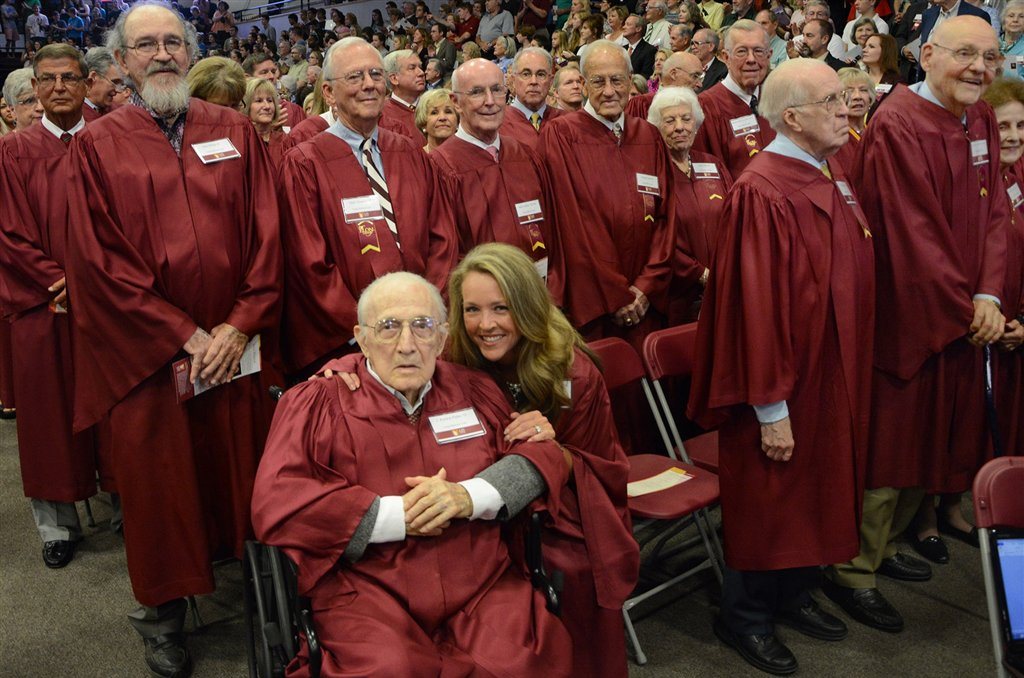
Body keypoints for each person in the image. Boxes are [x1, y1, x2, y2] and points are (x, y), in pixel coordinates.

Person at [65, 3, 283, 675]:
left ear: (189, 53)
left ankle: (265, 594)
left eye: (172, 42)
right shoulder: (96, 147)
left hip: (236, 347)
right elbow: (97, 263)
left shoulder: (237, 130)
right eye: (145, 45)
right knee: (161, 490)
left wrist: (240, 322)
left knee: (245, 474)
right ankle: (162, 613)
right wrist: (185, 335)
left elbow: (269, 234)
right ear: (123, 61)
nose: (161, 54)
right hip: (149, 358)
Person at [319, 245, 639, 678]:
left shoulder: (572, 374)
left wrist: (554, 449)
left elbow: (597, 464)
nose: (485, 325)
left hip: (568, 501)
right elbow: (400, 346)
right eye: (472, 309)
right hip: (478, 510)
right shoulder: (456, 359)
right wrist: (352, 360)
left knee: (566, 570)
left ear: (527, 307)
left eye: (501, 308)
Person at [252, 271, 574, 677]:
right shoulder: (316, 403)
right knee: (389, 669)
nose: (407, 345)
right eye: (388, 327)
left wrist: (469, 496)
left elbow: (536, 453)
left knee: (525, 659)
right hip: (367, 591)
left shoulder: (475, 389)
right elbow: (278, 500)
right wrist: (397, 516)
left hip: (480, 582)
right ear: (362, 337)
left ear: (441, 338)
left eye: (422, 326)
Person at [689, 58, 875, 676]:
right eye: (831, 100)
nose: (846, 108)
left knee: (812, 489)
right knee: (769, 498)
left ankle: (792, 592)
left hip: (826, 372)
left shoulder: (829, 170)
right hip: (781, 384)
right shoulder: (761, 191)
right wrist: (771, 408)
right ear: (792, 117)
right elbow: (754, 312)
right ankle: (744, 615)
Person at [824, 16, 1009, 634]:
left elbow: (994, 212)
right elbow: (912, 234)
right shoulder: (897, 125)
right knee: (894, 444)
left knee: (931, 439)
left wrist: (988, 291)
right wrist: (968, 307)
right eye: (964, 54)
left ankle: (887, 546)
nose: (979, 68)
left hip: (959, 313)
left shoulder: (977, 116)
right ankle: (852, 569)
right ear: (926, 54)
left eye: (990, 56)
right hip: (910, 317)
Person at [277, 37, 458, 377]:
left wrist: (427, 314)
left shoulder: (410, 154)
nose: (369, 84)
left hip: (423, 332)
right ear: (328, 93)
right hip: (349, 344)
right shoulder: (304, 163)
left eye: (376, 73)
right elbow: (309, 263)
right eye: (355, 76)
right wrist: (371, 331)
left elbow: (443, 239)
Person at [0, 43, 99, 572]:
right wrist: (62, 282)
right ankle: (56, 526)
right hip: (44, 307)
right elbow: (9, 234)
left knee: (117, 409)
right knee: (47, 419)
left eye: (68, 78)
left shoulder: (112, 141)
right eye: (47, 80)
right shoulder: (13, 153)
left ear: (86, 84)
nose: (58, 87)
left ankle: (127, 502)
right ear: (33, 89)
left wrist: (99, 284)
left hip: (110, 305)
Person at [538, 40, 675, 344]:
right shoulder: (561, 135)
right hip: (595, 302)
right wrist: (616, 295)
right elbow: (574, 225)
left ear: (630, 81)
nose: (609, 90)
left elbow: (666, 217)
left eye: (617, 80)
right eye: (599, 81)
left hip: (647, 301)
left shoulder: (648, 136)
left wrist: (646, 286)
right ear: (584, 85)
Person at [431, 59, 560, 285]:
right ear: (456, 102)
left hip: (541, 297)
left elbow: (555, 232)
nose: (490, 102)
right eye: (477, 92)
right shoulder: (440, 167)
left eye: (497, 90)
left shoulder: (526, 155)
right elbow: (446, 257)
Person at [649, 86, 732, 324]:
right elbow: (656, 237)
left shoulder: (713, 164)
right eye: (670, 120)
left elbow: (735, 218)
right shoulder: (653, 172)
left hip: (724, 287)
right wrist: (701, 274)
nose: (679, 127)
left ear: (696, 124)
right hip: (679, 298)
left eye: (686, 119)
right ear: (657, 127)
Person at [982, 77, 1024, 455]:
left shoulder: (1016, 175)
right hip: (983, 332)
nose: (1013, 136)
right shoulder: (973, 183)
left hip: (1016, 328)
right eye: (1003, 126)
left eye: (1021, 125)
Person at [693, 21, 776, 176]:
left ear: (769, 55)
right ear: (725, 57)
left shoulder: (778, 100)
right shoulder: (706, 107)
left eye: (758, 51)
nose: (751, 59)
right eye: (742, 51)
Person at [501, 47, 563, 147]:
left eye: (541, 74)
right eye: (526, 74)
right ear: (513, 80)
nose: (534, 81)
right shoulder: (497, 123)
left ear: (551, 81)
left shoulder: (565, 122)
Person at [626, 50, 705, 118]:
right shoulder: (641, 104)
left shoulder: (699, 107)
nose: (700, 85)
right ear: (674, 74)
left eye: (700, 78)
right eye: (695, 76)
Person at [241, 52, 306, 127]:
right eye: (264, 72)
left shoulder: (293, 111)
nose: (271, 76)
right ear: (247, 77)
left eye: (273, 72)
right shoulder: (236, 113)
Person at [833, 67, 875, 174]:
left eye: (863, 90)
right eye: (850, 91)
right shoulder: (834, 140)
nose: (858, 96)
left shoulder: (876, 134)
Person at [240, 76, 288, 166]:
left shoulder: (285, 141)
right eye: (259, 101)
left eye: (270, 100)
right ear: (246, 105)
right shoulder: (241, 141)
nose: (267, 106)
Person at [381, 48, 426, 141]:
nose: (421, 73)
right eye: (412, 68)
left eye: (420, 67)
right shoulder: (381, 114)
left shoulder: (434, 105)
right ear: (394, 78)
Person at [82, 46, 125, 121]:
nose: (118, 91)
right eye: (114, 82)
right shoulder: (71, 117)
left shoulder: (120, 112)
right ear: (93, 77)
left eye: (121, 84)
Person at [415, 86, 457, 151]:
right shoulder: (416, 158)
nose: (442, 117)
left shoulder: (470, 157)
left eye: (448, 111)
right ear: (423, 123)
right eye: (434, 113)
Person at [1001, 0, 1024, 79]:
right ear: (1004, 20)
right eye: (1011, 16)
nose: (1015, 20)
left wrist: (1008, 62)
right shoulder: (992, 43)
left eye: (1021, 16)